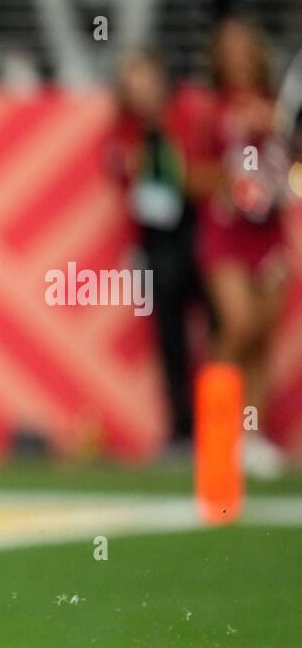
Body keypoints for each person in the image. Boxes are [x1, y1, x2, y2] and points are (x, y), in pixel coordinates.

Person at [188, 18, 291, 478]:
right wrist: (230, 182)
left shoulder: (278, 107)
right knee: (238, 323)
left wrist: (278, 136)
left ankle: (253, 437)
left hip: (269, 235)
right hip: (226, 233)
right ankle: (217, 432)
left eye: (244, 47)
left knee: (264, 335)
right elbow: (190, 175)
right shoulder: (210, 110)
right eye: (228, 48)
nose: (238, 57)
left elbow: (291, 169)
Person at [107, 50, 205, 459]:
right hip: (157, 240)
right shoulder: (125, 131)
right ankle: (181, 428)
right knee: (169, 336)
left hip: (196, 229)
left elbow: (199, 169)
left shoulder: (185, 115)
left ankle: (231, 425)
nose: (141, 91)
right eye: (133, 85)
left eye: (146, 80)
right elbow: (116, 174)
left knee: (217, 327)